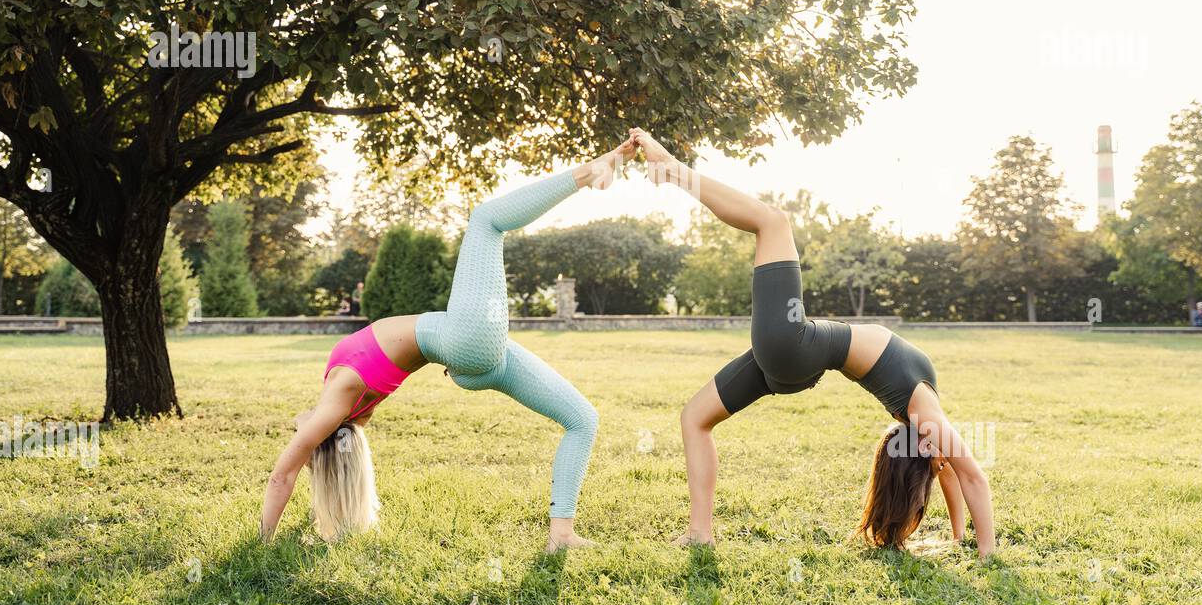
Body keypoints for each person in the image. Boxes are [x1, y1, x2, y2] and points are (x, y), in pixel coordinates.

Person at [628, 128, 996, 558]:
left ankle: (671, 170)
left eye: (936, 455)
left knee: (774, 221)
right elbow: (950, 473)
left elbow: (971, 477)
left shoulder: (924, 416)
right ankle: (700, 532)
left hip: (795, 343)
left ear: (925, 447)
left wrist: (986, 552)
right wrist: (957, 537)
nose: (943, 456)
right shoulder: (924, 424)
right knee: (694, 418)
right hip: (790, 362)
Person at [260, 140, 634, 551]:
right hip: (466, 340)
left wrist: (320, 473)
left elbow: (334, 451)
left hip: (472, 357)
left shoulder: (351, 417)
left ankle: (561, 535)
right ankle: (591, 171)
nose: (294, 428)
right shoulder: (339, 399)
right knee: (487, 220)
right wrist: (262, 543)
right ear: (320, 435)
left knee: (583, 419)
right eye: (305, 436)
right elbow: (283, 475)